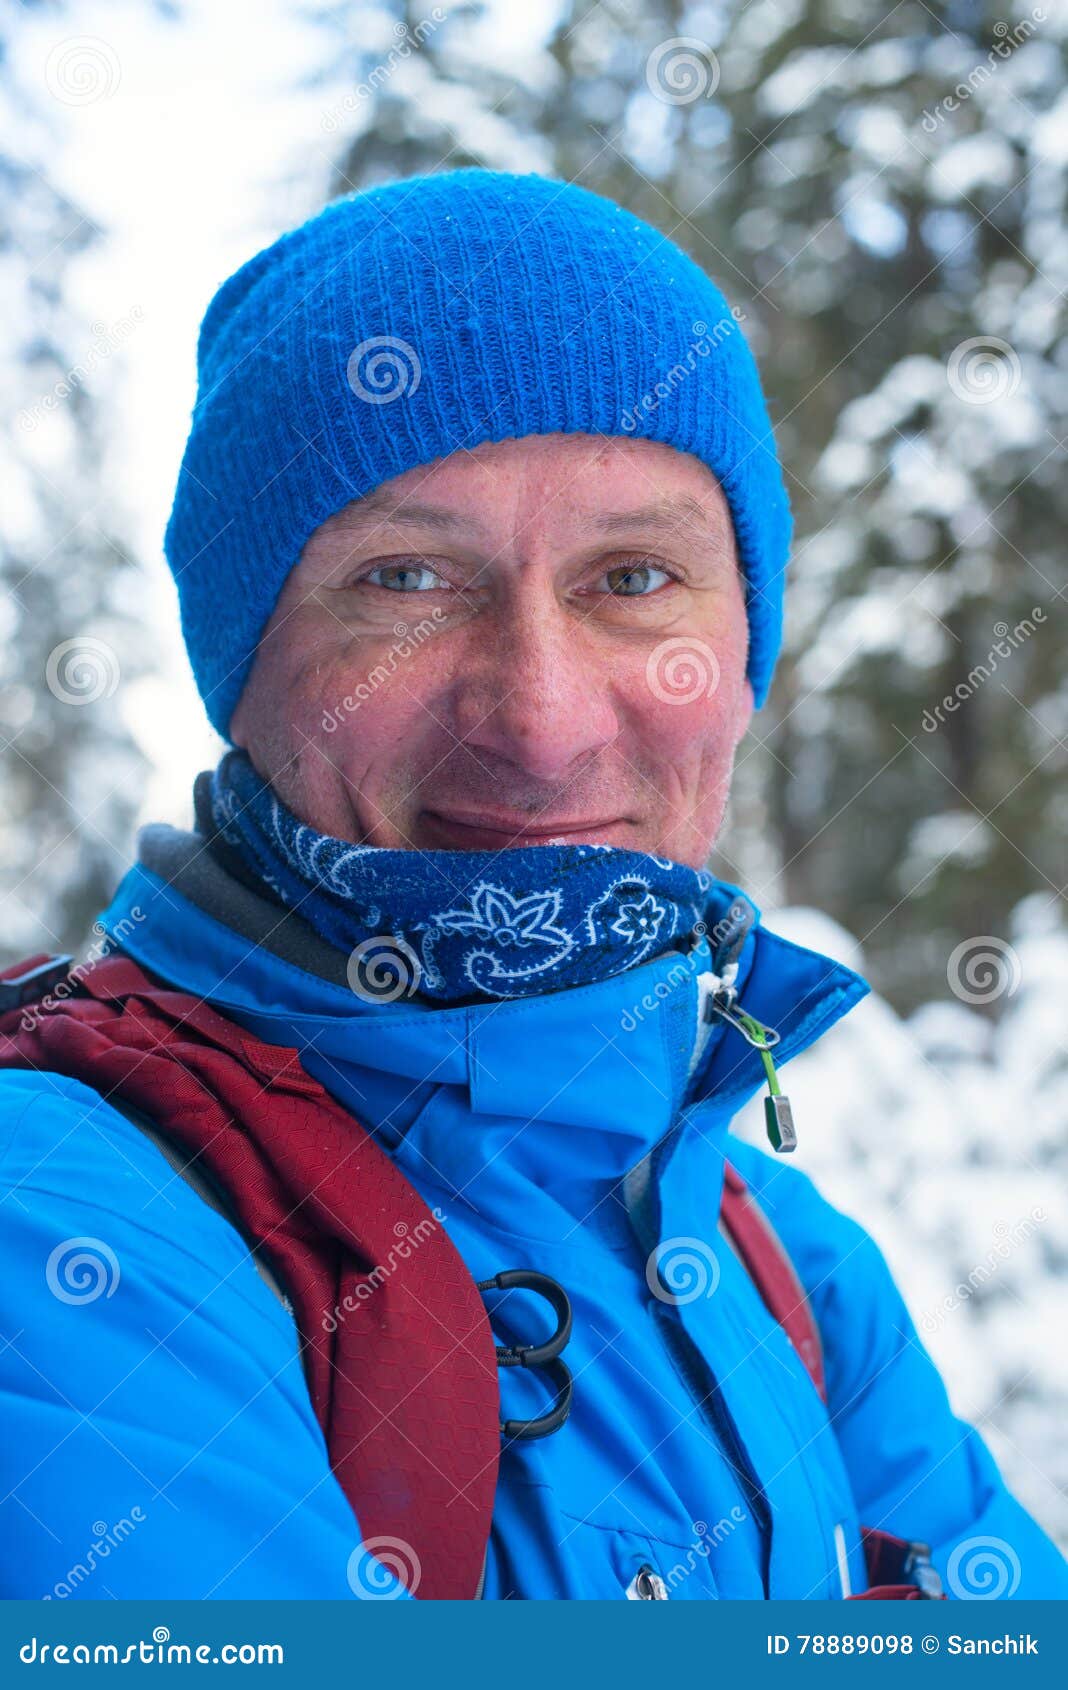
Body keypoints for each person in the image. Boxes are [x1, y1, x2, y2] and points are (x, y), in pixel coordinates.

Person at [0, 169, 1063, 1603]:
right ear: (240, 667)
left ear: (746, 649)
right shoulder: (60, 1219)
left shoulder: (785, 1267)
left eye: (633, 578)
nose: (543, 719)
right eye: (408, 580)